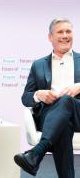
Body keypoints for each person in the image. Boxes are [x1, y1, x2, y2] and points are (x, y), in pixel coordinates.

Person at [14, 18, 80, 178]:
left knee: (66, 101)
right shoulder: (38, 65)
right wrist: (39, 94)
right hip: (50, 116)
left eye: (68, 31)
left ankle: (37, 152)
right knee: (63, 125)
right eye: (60, 32)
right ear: (50, 37)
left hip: (78, 112)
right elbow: (26, 98)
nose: (65, 35)